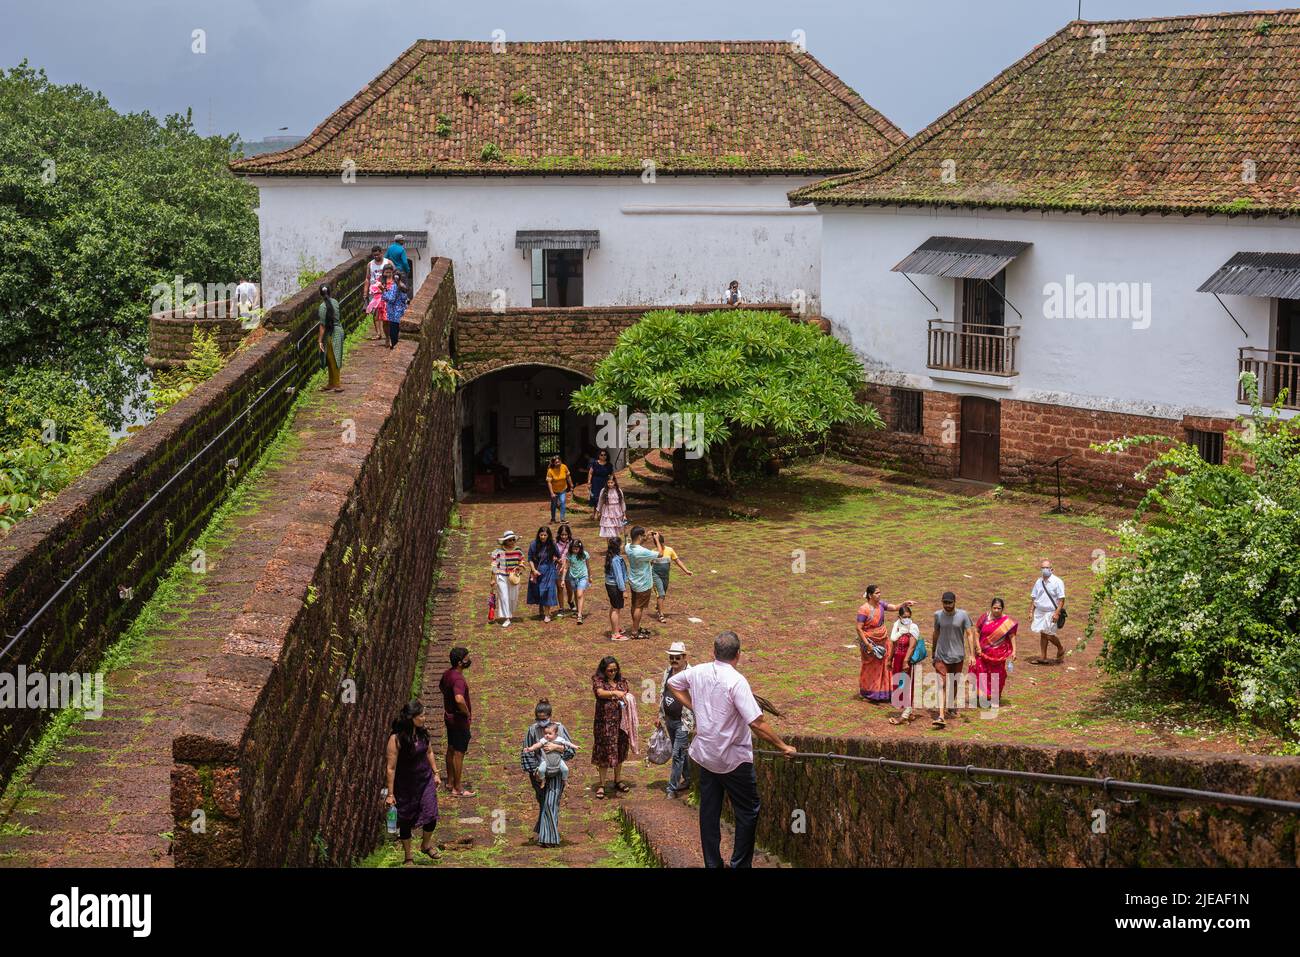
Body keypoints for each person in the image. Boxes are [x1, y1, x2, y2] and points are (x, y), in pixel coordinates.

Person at [666, 631, 796, 868]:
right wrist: (782, 746)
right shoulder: (736, 681)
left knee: (709, 812)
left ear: (713, 653)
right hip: (733, 760)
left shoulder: (699, 672)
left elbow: (673, 683)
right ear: (738, 655)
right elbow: (756, 723)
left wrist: (695, 706)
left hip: (706, 756)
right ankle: (739, 864)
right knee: (748, 811)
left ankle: (713, 863)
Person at [385, 700, 440, 865]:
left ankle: (426, 844)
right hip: (405, 786)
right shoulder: (396, 740)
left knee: (431, 815)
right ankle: (408, 856)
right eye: (421, 715)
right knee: (405, 821)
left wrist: (436, 773)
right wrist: (390, 794)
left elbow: (429, 752)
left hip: (425, 781)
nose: (424, 718)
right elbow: (391, 768)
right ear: (411, 718)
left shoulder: (423, 734)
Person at [520, 699, 577, 848]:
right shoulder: (532, 730)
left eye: (544, 719)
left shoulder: (560, 729)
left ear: (550, 716)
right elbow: (526, 752)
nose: (541, 722)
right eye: (539, 719)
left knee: (551, 803)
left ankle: (549, 839)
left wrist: (557, 749)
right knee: (544, 801)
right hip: (540, 773)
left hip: (557, 772)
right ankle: (543, 831)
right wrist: (535, 772)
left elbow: (571, 751)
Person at [857, 585, 915, 703]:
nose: (879, 595)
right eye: (877, 593)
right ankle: (869, 692)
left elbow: (893, 607)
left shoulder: (881, 605)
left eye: (880, 592)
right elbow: (859, 628)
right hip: (871, 642)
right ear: (870, 595)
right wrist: (867, 644)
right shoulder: (863, 609)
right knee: (871, 667)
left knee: (884, 665)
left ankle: (883, 692)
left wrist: (904, 603)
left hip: (883, 640)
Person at [931, 591, 976, 729]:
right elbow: (936, 633)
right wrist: (933, 651)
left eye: (950, 603)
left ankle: (951, 705)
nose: (947, 605)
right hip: (941, 655)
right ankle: (941, 715)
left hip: (957, 655)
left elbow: (969, 634)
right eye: (945, 602)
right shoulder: (938, 615)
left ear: (955, 602)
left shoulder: (963, 615)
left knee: (954, 683)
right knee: (942, 684)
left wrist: (972, 654)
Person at [591, 656, 633, 799]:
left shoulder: (622, 681)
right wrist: (615, 693)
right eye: (610, 670)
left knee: (620, 749)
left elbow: (627, 694)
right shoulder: (598, 681)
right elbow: (600, 693)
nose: (613, 673)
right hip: (605, 724)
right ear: (604, 670)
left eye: (615, 670)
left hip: (621, 723)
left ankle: (618, 779)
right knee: (604, 752)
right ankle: (601, 784)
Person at [657, 641, 694, 798]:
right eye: (671, 657)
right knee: (681, 751)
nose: (674, 660)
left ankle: (671, 789)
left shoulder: (691, 674)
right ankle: (689, 778)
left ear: (684, 657)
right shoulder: (667, 672)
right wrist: (659, 715)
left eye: (677, 657)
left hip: (684, 721)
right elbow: (662, 692)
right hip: (669, 719)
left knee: (677, 753)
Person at [439, 647, 476, 797]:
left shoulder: (448, 674)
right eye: (466, 658)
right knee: (459, 753)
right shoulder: (459, 679)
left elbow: (441, 687)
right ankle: (458, 788)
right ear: (460, 662)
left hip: (449, 717)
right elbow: (459, 698)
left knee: (451, 748)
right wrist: (466, 712)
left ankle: (449, 781)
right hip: (459, 720)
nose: (469, 660)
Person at [970, 597, 1017, 705]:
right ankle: (982, 696)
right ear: (991, 608)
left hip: (998, 655)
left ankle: (994, 697)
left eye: (999, 608)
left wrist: (1014, 651)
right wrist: (977, 646)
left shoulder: (1006, 622)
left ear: (1002, 609)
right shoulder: (984, 618)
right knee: (982, 673)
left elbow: (1012, 636)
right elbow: (976, 631)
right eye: (994, 608)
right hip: (982, 652)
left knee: (997, 675)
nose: (996, 610)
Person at [623, 525, 662, 640]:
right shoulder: (642, 551)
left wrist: (646, 537)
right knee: (639, 608)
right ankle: (635, 632)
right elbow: (660, 554)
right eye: (643, 535)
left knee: (634, 605)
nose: (645, 537)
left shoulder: (628, 547)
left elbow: (638, 545)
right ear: (639, 536)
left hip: (634, 580)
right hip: (643, 583)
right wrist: (657, 540)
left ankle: (636, 626)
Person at [1028, 558, 1067, 665]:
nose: (1045, 569)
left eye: (1047, 567)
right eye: (1043, 568)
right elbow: (1034, 597)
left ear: (1051, 569)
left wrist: (1056, 613)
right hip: (1040, 611)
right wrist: (1031, 611)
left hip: (1051, 612)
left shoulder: (1057, 582)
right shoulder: (1038, 581)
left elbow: (1061, 599)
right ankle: (1043, 657)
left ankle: (1060, 648)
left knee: (1049, 634)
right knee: (1043, 634)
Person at [887, 606, 921, 725]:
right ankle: (909, 712)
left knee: (907, 685)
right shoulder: (897, 627)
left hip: (907, 660)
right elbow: (894, 644)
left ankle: (905, 715)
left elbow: (911, 647)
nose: (907, 619)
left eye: (908, 617)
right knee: (899, 684)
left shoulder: (913, 627)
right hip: (897, 659)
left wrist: (906, 661)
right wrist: (890, 659)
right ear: (899, 617)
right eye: (904, 617)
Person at [650, 531, 693, 624]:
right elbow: (649, 565)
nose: (660, 545)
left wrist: (686, 571)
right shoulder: (653, 552)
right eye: (657, 543)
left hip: (665, 576)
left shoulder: (670, 550)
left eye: (661, 543)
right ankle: (661, 615)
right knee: (660, 594)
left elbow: (677, 561)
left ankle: (658, 608)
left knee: (663, 594)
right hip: (655, 575)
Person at [490, 531, 524, 627]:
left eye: (513, 539)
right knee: (504, 597)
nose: (512, 541)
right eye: (510, 540)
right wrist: (492, 579)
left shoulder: (518, 551)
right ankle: (507, 618)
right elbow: (494, 566)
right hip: (502, 576)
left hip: (514, 577)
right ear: (505, 541)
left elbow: (521, 561)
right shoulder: (499, 552)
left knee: (513, 598)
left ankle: (509, 613)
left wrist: (519, 567)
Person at [526, 526, 560, 622]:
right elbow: (530, 559)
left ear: (548, 535)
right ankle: (541, 608)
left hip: (549, 570)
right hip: (537, 571)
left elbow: (558, 555)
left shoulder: (552, 544)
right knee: (539, 591)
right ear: (538, 535)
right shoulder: (533, 544)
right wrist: (533, 570)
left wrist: (557, 560)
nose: (543, 537)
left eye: (545, 535)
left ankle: (547, 614)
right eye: (541, 535)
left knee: (548, 591)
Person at [315, 284, 344, 392]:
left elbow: (322, 326)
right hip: (338, 331)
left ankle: (337, 383)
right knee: (332, 358)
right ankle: (331, 383)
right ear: (330, 292)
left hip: (331, 333)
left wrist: (319, 340)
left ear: (320, 294)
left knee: (333, 359)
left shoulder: (322, 307)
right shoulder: (335, 302)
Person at [603, 537, 629, 641]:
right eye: (621, 544)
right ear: (618, 547)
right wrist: (623, 590)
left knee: (614, 607)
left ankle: (616, 628)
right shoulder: (616, 560)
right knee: (616, 609)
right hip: (615, 586)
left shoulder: (612, 557)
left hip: (610, 584)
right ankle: (615, 634)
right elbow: (618, 576)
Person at [365, 245, 393, 340]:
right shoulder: (370, 264)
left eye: (377, 255)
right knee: (376, 313)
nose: (376, 257)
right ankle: (378, 333)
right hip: (374, 292)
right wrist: (365, 293)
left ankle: (388, 334)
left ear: (381, 253)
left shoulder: (388, 262)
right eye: (374, 255)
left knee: (385, 312)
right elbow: (367, 278)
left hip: (386, 290)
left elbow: (395, 274)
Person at [380, 264, 408, 348]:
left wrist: (383, 292)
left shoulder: (395, 286)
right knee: (398, 329)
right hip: (401, 310)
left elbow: (391, 299)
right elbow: (404, 298)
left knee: (393, 331)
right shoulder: (402, 285)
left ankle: (394, 345)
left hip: (393, 311)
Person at [565, 538, 591, 624]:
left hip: (583, 577)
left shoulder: (585, 554)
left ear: (580, 548)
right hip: (572, 577)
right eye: (573, 548)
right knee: (576, 594)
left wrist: (590, 577)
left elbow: (588, 566)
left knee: (580, 594)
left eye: (577, 548)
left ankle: (579, 615)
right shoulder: (569, 555)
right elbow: (566, 567)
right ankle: (578, 610)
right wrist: (562, 579)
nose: (575, 550)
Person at [595, 470, 627, 539]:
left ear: (614, 482)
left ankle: (615, 546)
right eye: (608, 483)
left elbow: (622, 502)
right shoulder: (603, 491)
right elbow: (600, 502)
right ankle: (610, 547)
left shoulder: (619, 490)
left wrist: (624, 515)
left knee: (616, 531)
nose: (610, 484)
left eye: (611, 482)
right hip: (607, 512)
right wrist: (597, 513)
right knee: (608, 530)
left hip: (617, 512)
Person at [554, 523, 574, 615]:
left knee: (569, 588)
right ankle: (561, 608)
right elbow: (553, 556)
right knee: (560, 588)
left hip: (569, 568)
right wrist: (558, 561)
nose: (564, 536)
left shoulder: (572, 544)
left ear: (569, 534)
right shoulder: (555, 544)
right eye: (562, 535)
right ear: (559, 535)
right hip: (558, 568)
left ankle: (570, 601)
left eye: (566, 534)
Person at [546, 455, 574, 523]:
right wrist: (552, 493)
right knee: (554, 504)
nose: (558, 463)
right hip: (554, 490)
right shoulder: (550, 470)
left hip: (563, 489)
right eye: (556, 462)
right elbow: (549, 482)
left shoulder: (564, 467)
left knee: (563, 502)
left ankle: (562, 519)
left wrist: (571, 485)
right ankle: (553, 519)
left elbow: (568, 477)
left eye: (559, 461)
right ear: (553, 463)